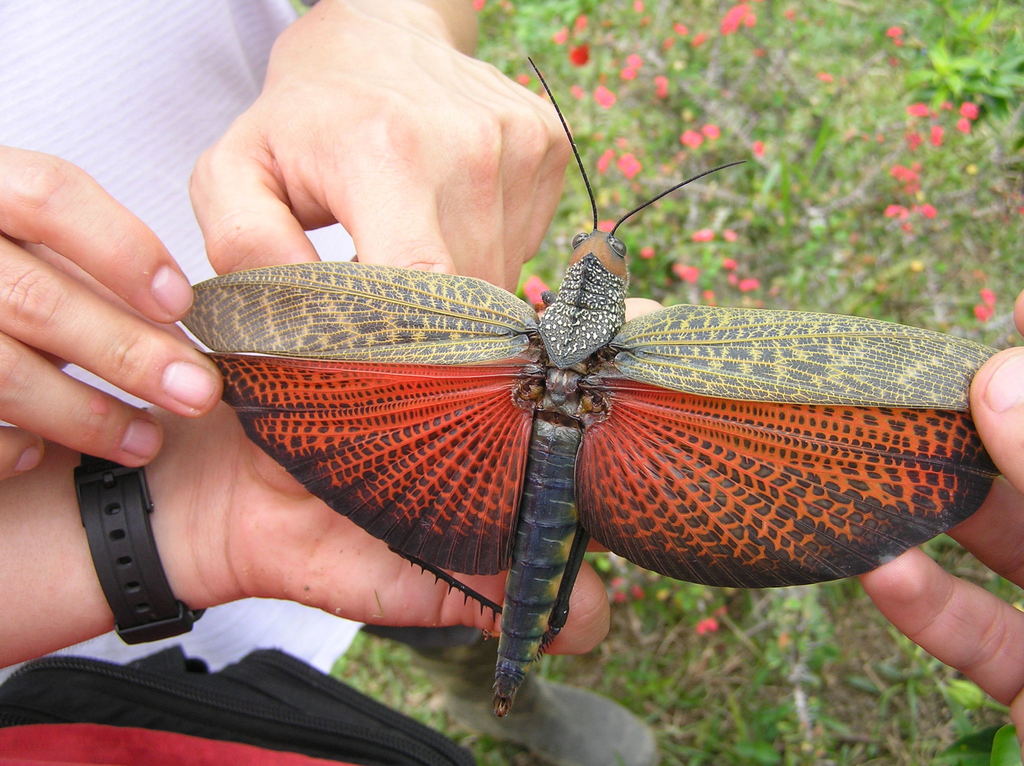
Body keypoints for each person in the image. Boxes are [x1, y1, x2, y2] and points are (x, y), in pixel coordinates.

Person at [0, 0, 1021, 758]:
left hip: (320, 481)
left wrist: (382, 18)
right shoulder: (608, 347)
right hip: (229, 506)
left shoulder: (503, 333)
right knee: (483, 584)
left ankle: (514, 695)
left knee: (457, 589)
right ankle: (511, 686)